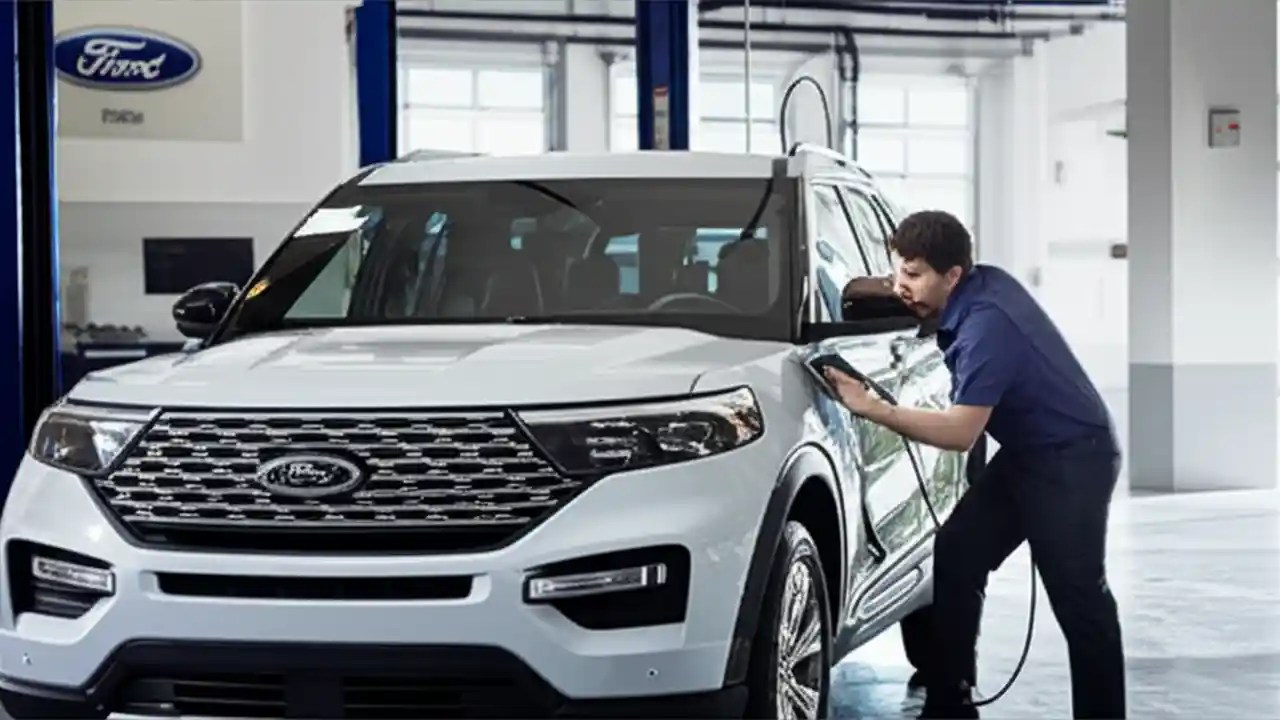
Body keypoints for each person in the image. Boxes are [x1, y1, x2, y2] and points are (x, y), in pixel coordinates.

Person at [825, 210, 1126, 719]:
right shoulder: (975, 284)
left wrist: (872, 408)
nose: (902, 287)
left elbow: (962, 432)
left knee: (1080, 600)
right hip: (1029, 452)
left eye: (914, 276)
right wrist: (882, 289)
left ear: (953, 276)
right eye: (899, 273)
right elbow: (884, 290)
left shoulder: (989, 326)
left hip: (1075, 458)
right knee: (960, 549)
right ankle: (949, 703)